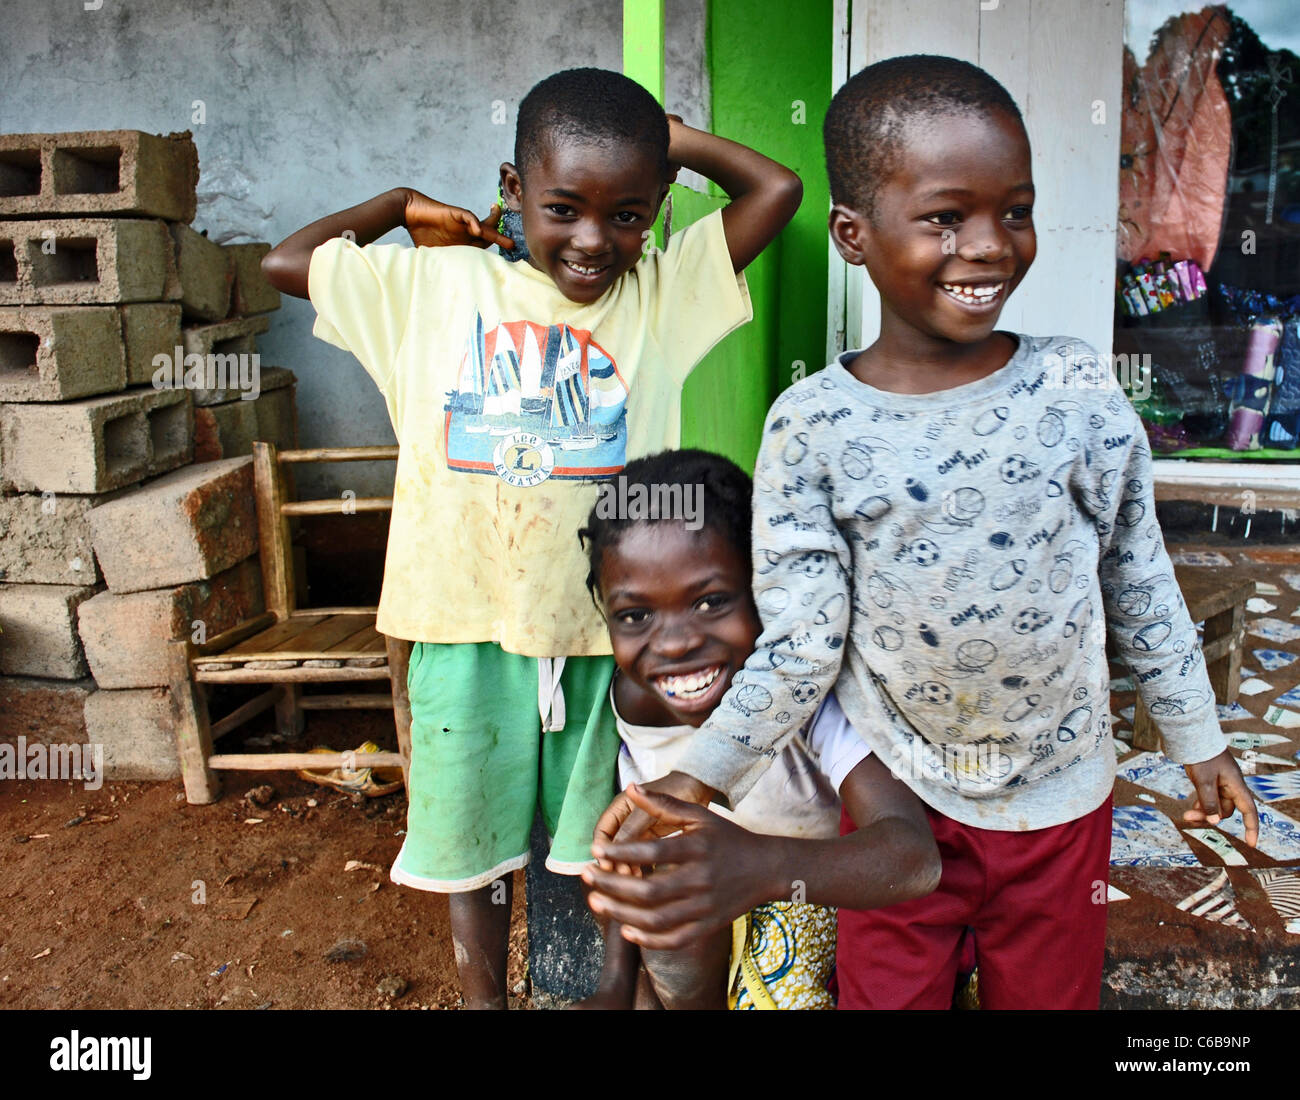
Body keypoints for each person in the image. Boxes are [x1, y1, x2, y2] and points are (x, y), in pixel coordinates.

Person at [593, 55, 1260, 1010]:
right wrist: (700, 777)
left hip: (1060, 803)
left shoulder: (1075, 388)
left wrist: (1199, 735)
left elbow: (1137, 572)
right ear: (853, 236)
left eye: (1015, 211)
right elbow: (801, 641)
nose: (990, 245)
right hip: (898, 811)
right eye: (947, 217)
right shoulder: (812, 426)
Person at [261, 67, 802, 1009]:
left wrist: (666, 137)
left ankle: (612, 992)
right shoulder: (431, 285)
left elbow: (778, 191)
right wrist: (397, 203)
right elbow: (285, 261)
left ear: (658, 208)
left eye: (630, 214)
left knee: (613, 839)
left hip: (607, 641)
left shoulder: (662, 295)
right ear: (513, 190)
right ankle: (485, 1001)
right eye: (564, 207)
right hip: (462, 622)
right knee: (471, 848)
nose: (595, 240)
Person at [573, 449, 940, 1009]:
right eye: (635, 615)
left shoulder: (808, 697)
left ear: (767, 589)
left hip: (818, 892)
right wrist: (614, 986)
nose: (674, 643)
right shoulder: (635, 701)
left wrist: (762, 866)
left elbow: (913, 858)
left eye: (711, 601)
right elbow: (632, 854)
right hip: (715, 912)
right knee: (667, 889)